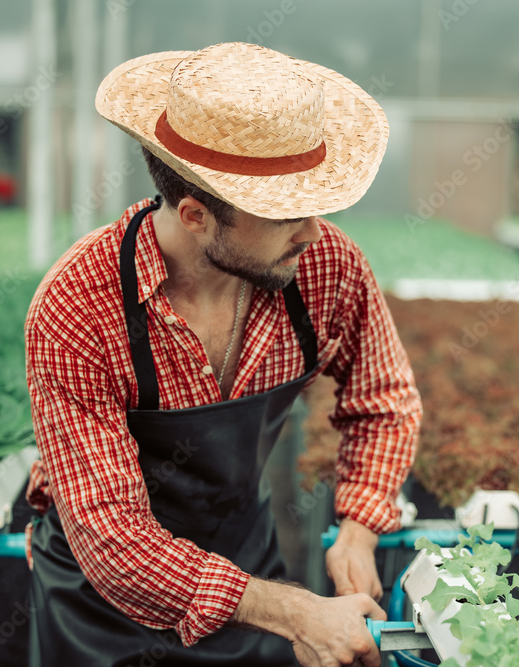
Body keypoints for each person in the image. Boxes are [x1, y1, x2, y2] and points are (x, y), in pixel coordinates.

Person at [23, 42, 422, 667]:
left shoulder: (323, 267)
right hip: (99, 604)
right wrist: (297, 611)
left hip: (245, 559)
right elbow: (114, 542)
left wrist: (359, 527)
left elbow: (384, 400)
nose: (313, 230)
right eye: (285, 212)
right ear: (196, 215)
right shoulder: (81, 305)